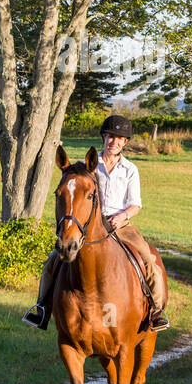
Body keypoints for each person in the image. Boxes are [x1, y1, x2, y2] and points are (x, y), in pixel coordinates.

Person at [23, 115, 170, 331]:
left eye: (119, 139)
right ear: (104, 138)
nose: (114, 142)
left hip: (121, 226)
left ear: (125, 142)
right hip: (90, 225)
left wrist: (122, 217)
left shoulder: (130, 170)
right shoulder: (88, 166)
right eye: (111, 137)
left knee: (149, 260)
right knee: (52, 261)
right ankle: (42, 309)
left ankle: (156, 311)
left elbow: (135, 204)